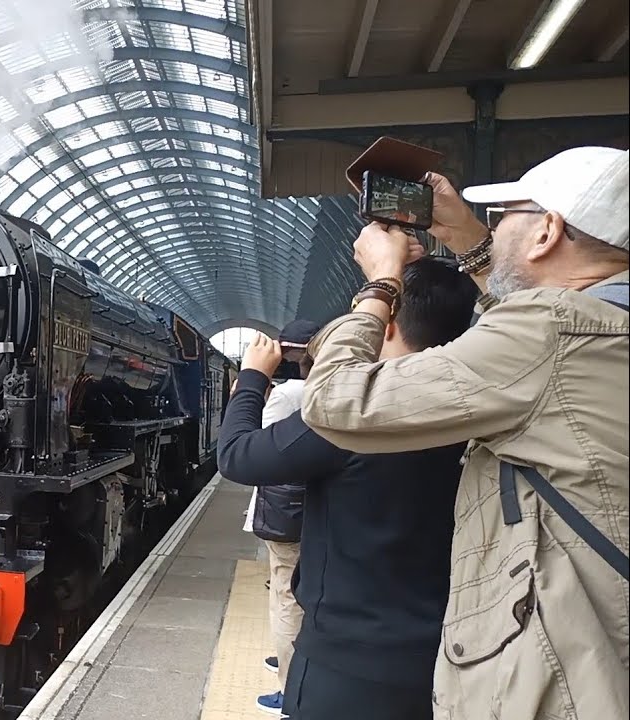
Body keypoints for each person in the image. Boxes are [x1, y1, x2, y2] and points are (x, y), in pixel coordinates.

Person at [300, 147, 628, 719]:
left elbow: (333, 400)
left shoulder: (549, 333)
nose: (494, 231)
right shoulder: (601, 330)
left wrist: (381, 285)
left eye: (503, 218)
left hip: (561, 675)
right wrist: (470, 240)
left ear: (547, 231)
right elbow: (533, 333)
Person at [221, 258, 479, 720]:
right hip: (445, 658)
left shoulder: (356, 415)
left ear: (386, 323)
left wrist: (253, 377)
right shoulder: (478, 404)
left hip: (345, 667)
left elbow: (238, 455)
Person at [243, 319, 321, 716]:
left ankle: (289, 689)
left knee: (285, 595)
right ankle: (295, 662)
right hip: (314, 508)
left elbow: (257, 450)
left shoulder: (288, 393)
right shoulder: (330, 389)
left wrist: (250, 388)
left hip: (285, 509)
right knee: (304, 590)